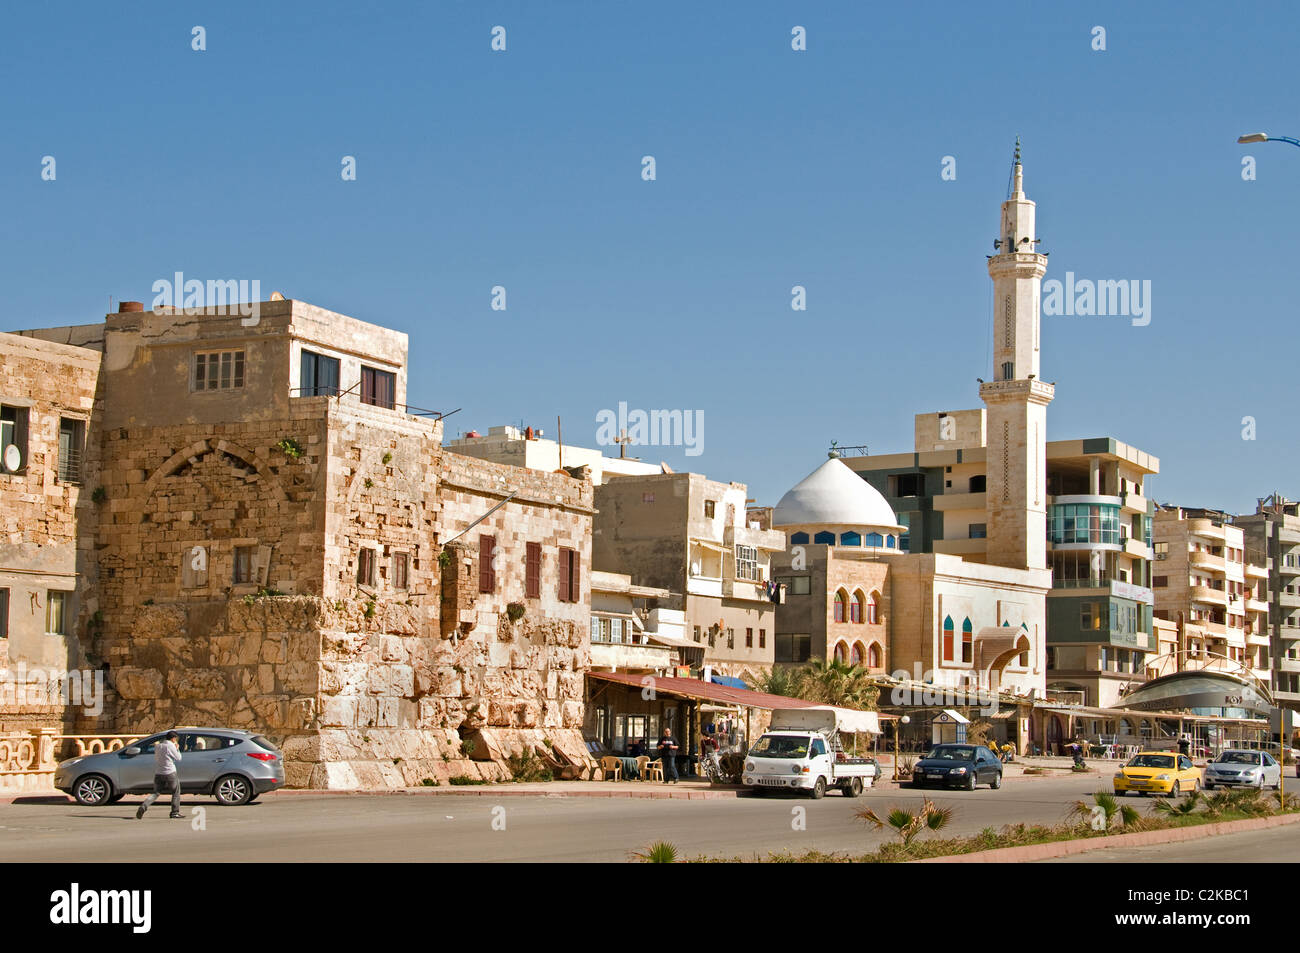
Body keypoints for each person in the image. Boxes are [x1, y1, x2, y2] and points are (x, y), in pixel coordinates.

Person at [136, 730, 183, 819]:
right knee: (176, 792)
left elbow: (157, 758)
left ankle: (144, 805)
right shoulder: (171, 746)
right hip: (170, 772)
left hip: (158, 772)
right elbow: (178, 758)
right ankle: (175, 812)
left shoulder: (158, 746)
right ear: (173, 739)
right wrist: (177, 748)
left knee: (156, 793)